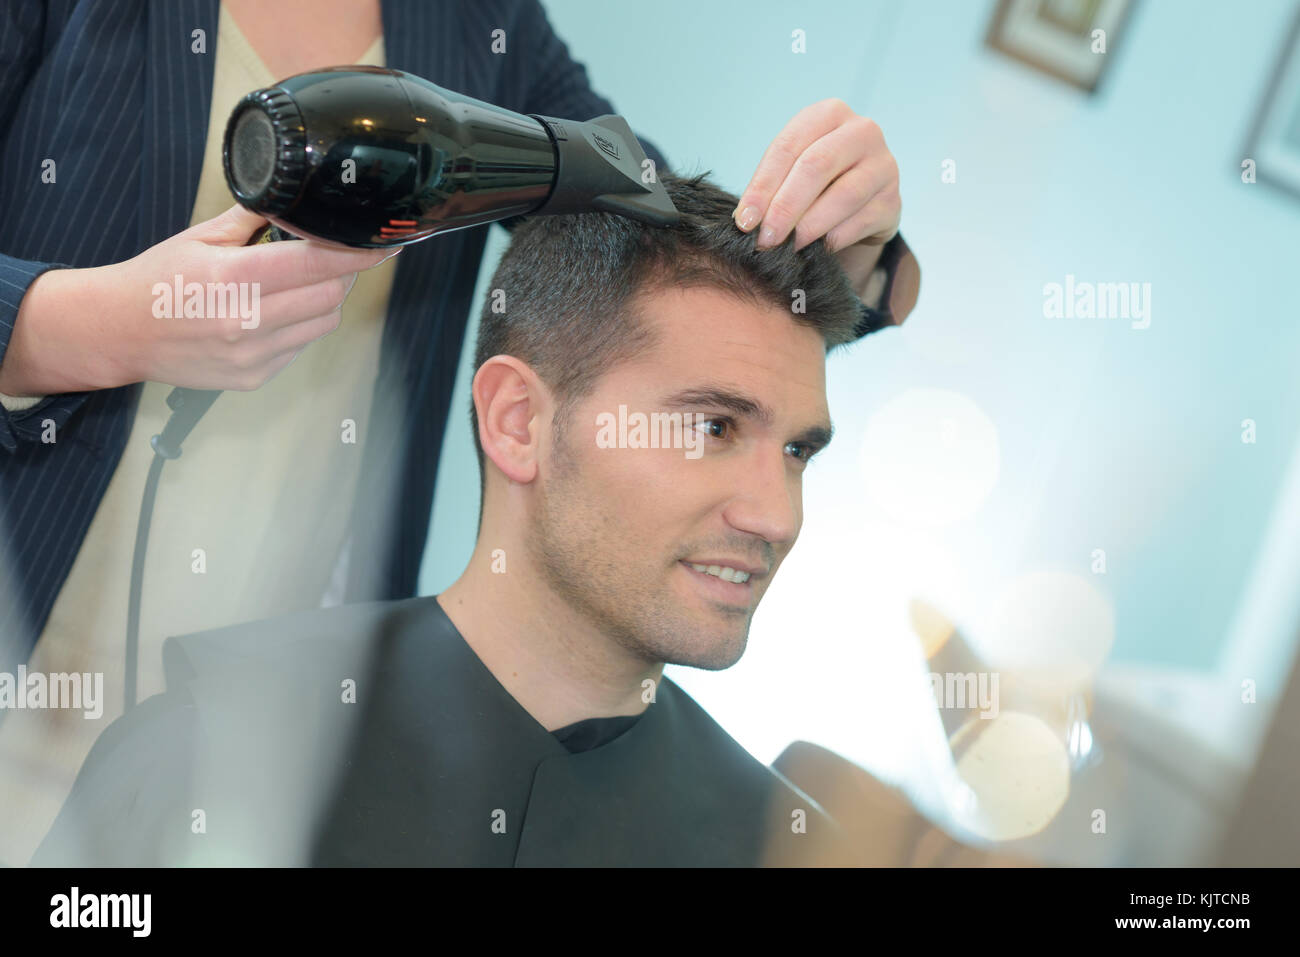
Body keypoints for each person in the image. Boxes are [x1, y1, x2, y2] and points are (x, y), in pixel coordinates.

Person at [0, 0, 918, 865]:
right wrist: (98, 324)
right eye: (716, 430)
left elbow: (653, 227)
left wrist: (852, 244)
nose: (774, 514)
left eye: (795, 449)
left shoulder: (479, 21)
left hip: (287, 727)